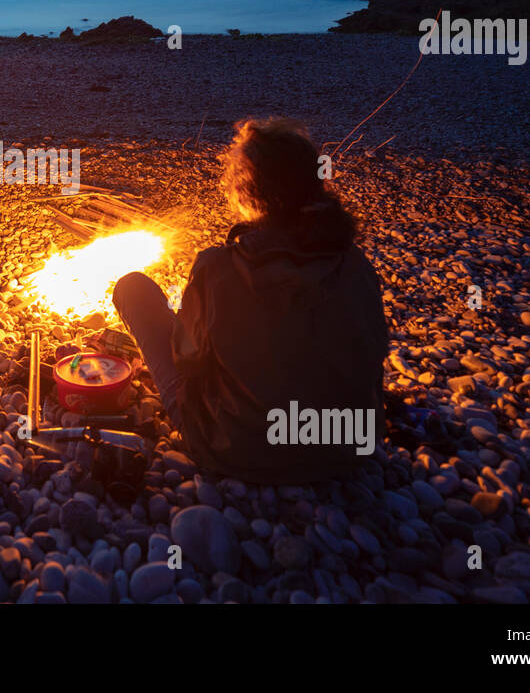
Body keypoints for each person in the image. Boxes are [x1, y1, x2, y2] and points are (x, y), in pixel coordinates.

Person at [113, 118, 388, 484]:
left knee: (133, 288)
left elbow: (189, 362)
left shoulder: (218, 266)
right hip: (347, 448)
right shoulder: (354, 263)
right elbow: (373, 353)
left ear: (245, 191)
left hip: (239, 452)